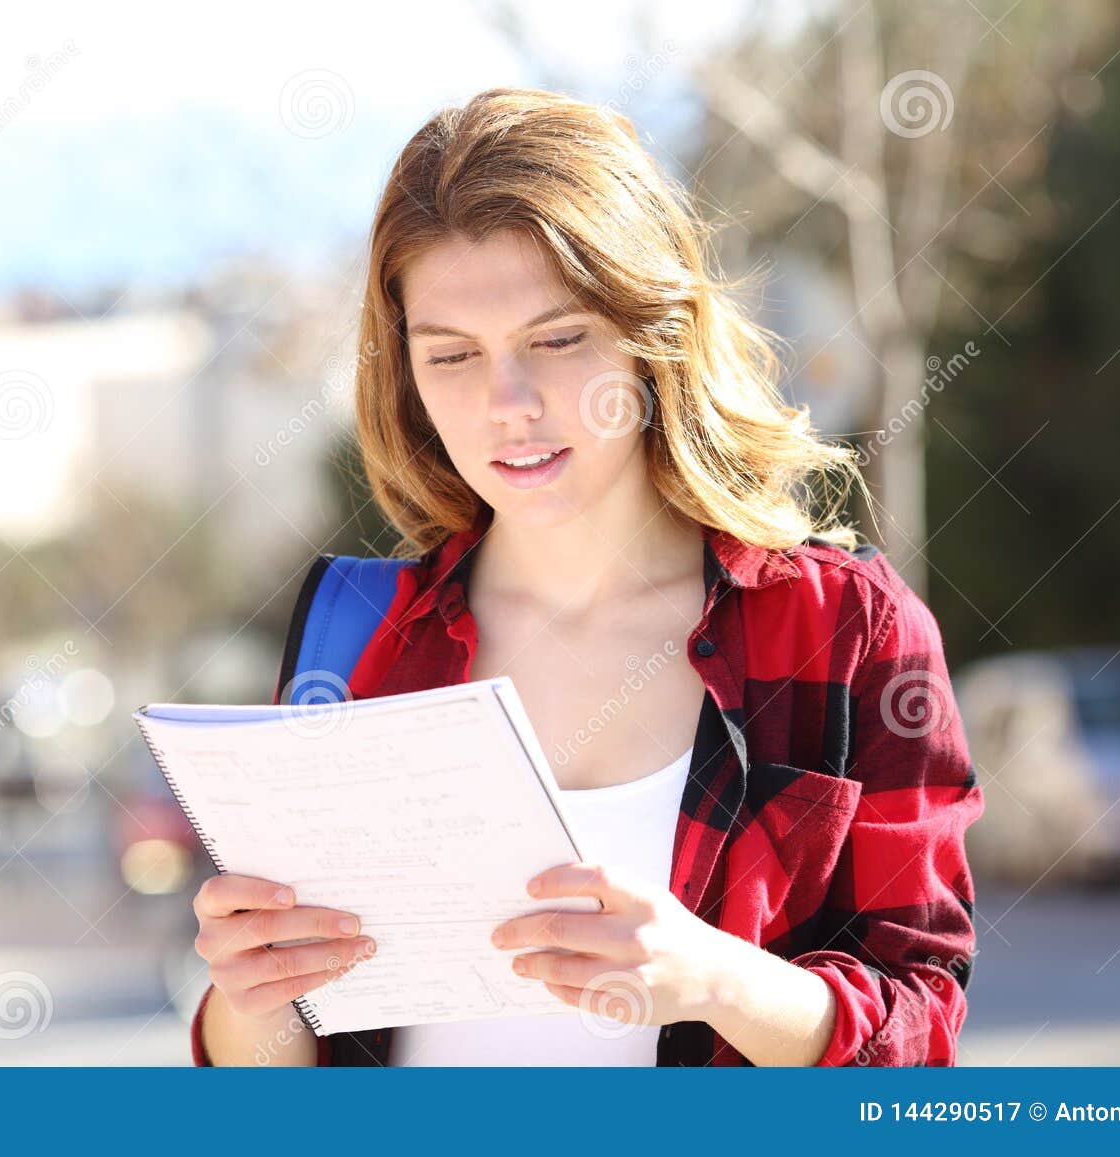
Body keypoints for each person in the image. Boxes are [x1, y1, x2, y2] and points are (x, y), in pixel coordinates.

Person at [188, 86, 983, 1067]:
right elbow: (278, 1072)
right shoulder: (358, 634)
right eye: (451, 356)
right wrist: (250, 993)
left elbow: (920, 1023)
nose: (506, 404)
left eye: (556, 340)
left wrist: (712, 977)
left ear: (655, 334)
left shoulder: (842, 625)